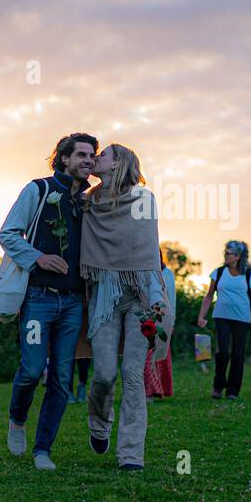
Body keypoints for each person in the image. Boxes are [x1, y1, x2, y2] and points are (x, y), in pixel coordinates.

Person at [0, 132, 97, 470]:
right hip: (38, 301)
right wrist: (38, 257)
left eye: (92, 155)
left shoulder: (89, 202)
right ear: (64, 158)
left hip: (72, 304)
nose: (88, 160)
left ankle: (43, 451)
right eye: (81, 154)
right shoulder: (38, 190)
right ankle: (17, 418)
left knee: (61, 379)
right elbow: (8, 233)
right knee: (31, 369)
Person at [81, 143, 166, 471]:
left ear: (118, 165)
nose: (95, 158)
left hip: (140, 296)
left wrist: (157, 298)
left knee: (132, 376)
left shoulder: (144, 200)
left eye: (103, 155)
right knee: (103, 374)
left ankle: (131, 454)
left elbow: (147, 250)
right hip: (104, 294)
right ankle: (100, 424)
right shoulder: (88, 202)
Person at [197, 239, 251, 400]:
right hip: (221, 316)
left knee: (238, 354)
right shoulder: (219, 272)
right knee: (223, 352)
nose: (225, 255)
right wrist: (201, 316)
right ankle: (218, 386)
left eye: (228, 253)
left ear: (237, 256)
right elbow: (209, 296)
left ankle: (232, 391)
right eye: (225, 252)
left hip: (242, 319)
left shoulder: (249, 274)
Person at [144, 248, 175, 400]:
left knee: (161, 357)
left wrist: (172, 321)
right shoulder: (143, 272)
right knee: (146, 355)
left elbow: (171, 299)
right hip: (146, 316)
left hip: (163, 316)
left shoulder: (168, 274)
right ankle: (149, 391)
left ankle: (161, 389)